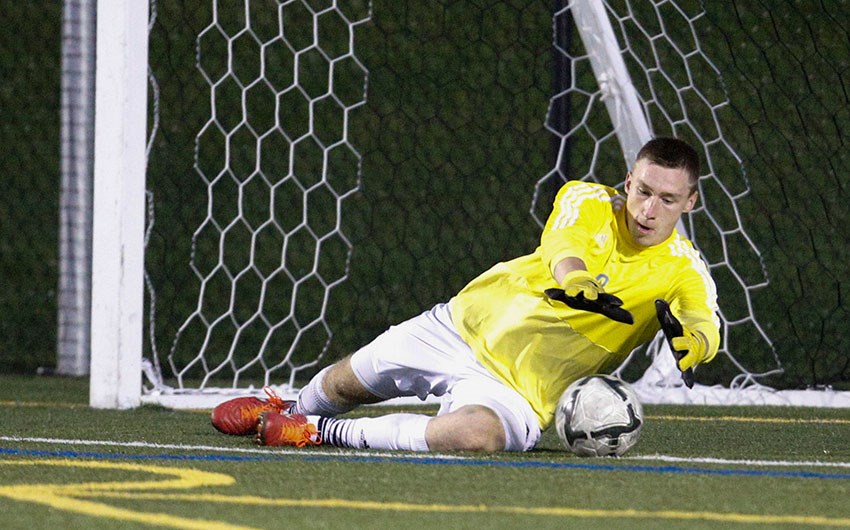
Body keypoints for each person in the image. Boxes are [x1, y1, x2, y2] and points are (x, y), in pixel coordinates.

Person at [210, 137, 720, 452]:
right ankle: (289, 406)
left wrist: (692, 343)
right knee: (346, 384)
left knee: (475, 436)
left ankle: (316, 434)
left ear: (690, 202)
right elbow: (564, 244)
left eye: (668, 199)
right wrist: (576, 280)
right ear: (628, 181)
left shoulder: (683, 269)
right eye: (643, 191)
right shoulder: (587, 198)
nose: (649, 209)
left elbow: (703, 320)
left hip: (520, 391)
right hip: (459, 326)